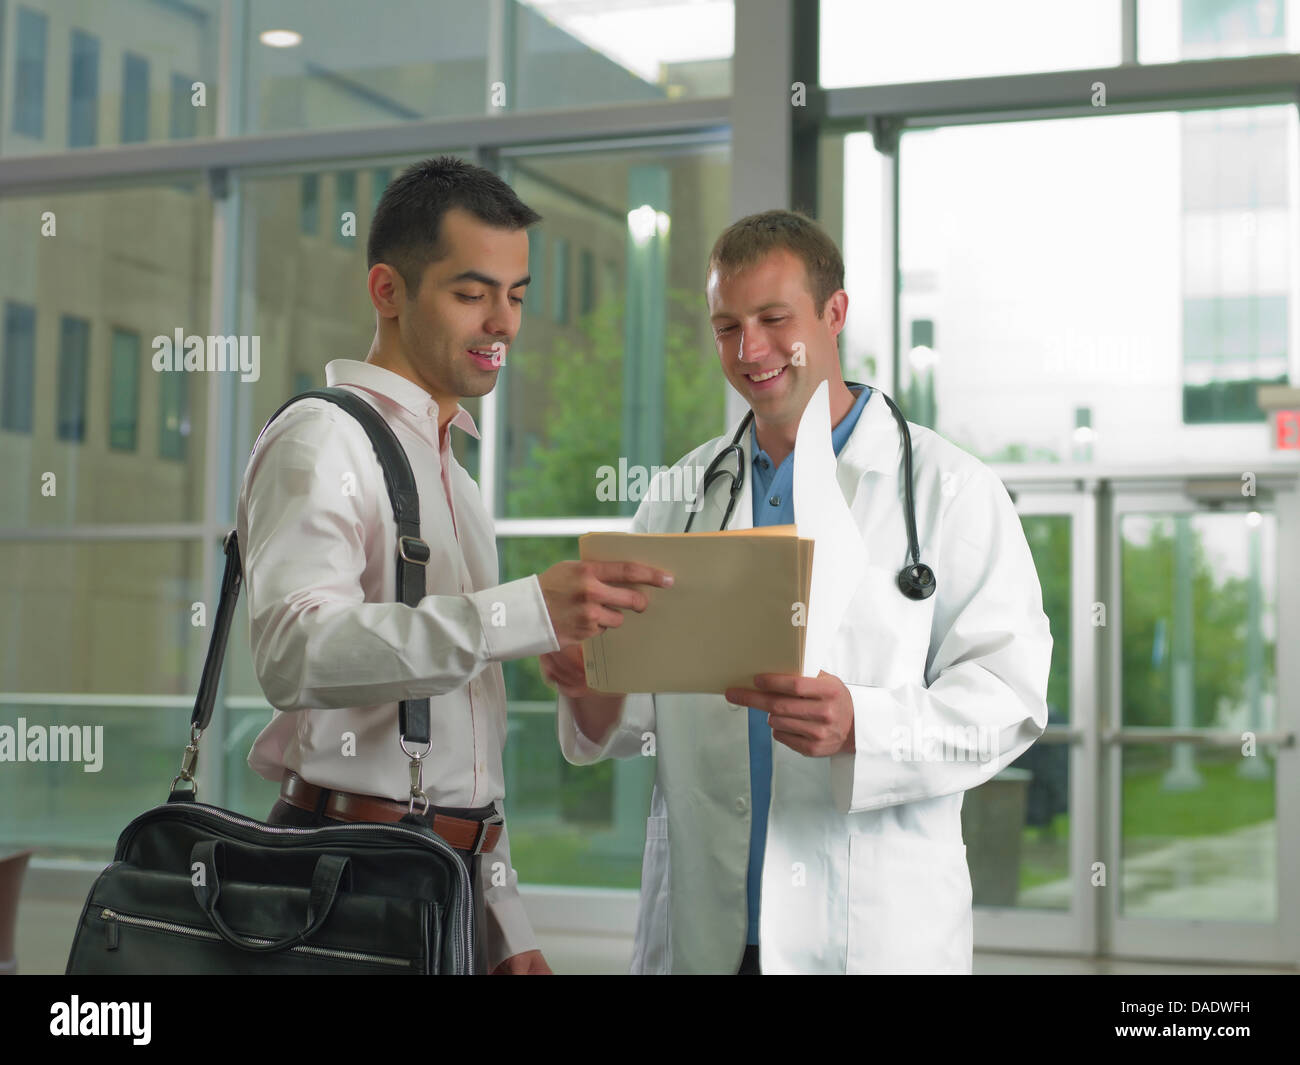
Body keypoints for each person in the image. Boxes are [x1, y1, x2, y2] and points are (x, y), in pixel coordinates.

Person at [541, 209, 1052, 974]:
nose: (751, 351)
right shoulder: (681, 496)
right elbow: (643, 713)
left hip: (870, 934)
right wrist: (591, 684)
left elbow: (1010, 702)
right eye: (726, 326)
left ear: (834, 312)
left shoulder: (950, 491)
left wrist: (863, 723)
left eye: (774, 319)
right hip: (707, 926)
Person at [237, 156, 671, 975]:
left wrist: (508, 926)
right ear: (388, 291)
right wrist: (522, 611)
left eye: (517, 295)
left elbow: (462, 763)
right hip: (344, 879)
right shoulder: (323, 438)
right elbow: (292, 652)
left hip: (449, 883)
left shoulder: (457, 480)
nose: (502, 322)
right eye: (471, 293)